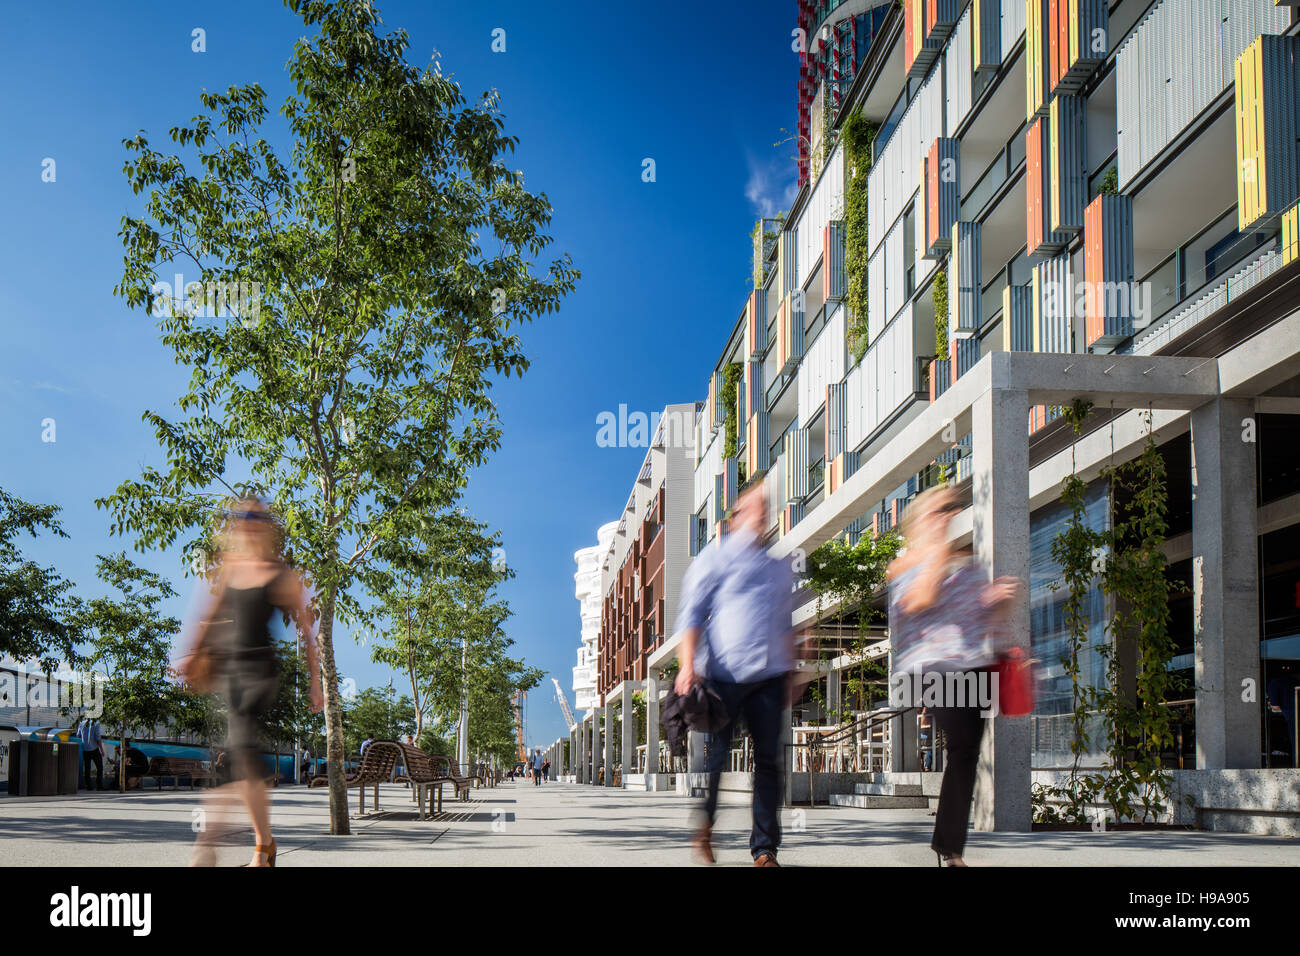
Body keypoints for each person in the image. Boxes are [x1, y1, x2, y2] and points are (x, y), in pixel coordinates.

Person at [182, 497, 322, 867]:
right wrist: (193, 653)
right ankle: (264, 844)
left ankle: (208, 845)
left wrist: (315, 683)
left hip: (260, 672)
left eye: (256, 518)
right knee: (241, 757)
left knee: (240, 748)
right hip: (229, 673)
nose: (248, 523)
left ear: (267, 526)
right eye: (242, 517)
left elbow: (309, 634)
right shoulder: (230, 568)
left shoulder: (280, 574)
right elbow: (208, 616)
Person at [887, 486, 1021, 867]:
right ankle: (949, 848)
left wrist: (998, 601)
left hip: (973, 664)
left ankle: (951, 849)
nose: (948, 515)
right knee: (961, 743)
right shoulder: (905, 564)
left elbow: (982, 621)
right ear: (918, 522)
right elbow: (919, 600)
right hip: (931, 666)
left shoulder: (967, 565)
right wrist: (939, 555)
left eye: (951, 509)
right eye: (939, 510)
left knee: (965, 753)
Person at [675, 481, 796, 867]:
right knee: (716, 760)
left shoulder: (780, 567)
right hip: (722, 676)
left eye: (766, 506)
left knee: (768, 763)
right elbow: (691, 614)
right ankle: (704, 827)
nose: (762, 513)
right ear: (737, 515)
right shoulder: (716, 557)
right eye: (755, 506)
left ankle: (764, 850)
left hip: (769, 677)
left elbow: (785, 624)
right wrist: (686, 666)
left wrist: (793, 672)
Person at [76, 716, 104, 792]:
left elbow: (78, 735)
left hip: (85, 749)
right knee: (99, 767)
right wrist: (101, 749)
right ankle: (99, 786)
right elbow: (97, 738)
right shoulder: (96, 723)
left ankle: (88, 786)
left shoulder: (81, 723)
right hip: (94, 749)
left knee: (87, 768)